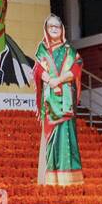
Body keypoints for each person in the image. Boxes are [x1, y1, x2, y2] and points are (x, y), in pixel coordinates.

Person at [33, 14, 84, 186]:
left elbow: (76, 69)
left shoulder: (70, 51)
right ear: (46, 30)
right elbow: (38, 71)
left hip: (65, 102)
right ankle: (52, 179)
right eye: (51, 27)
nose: (54, 29)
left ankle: (70, 180)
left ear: (62, 29)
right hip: (49, 102)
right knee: (51, 140)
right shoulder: (42, 50)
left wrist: (59, 80)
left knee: (67, 137)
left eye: (58, 26)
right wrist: (50, 80)